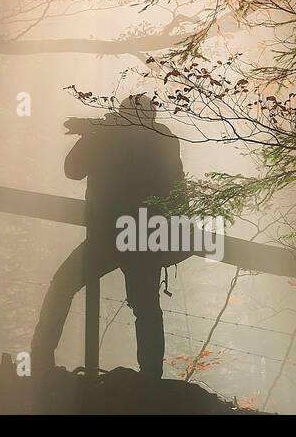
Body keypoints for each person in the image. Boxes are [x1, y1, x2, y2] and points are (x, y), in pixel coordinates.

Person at [30, 94, 185, 380]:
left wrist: (93, 132)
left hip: (106, 234)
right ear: (151, 116)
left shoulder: (106, 136)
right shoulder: (165, 140)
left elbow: (72, 170)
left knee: (62, 286)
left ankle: (40, 363)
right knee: (146, 306)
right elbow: (177, 191)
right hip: (144, 236)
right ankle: (150, 378)